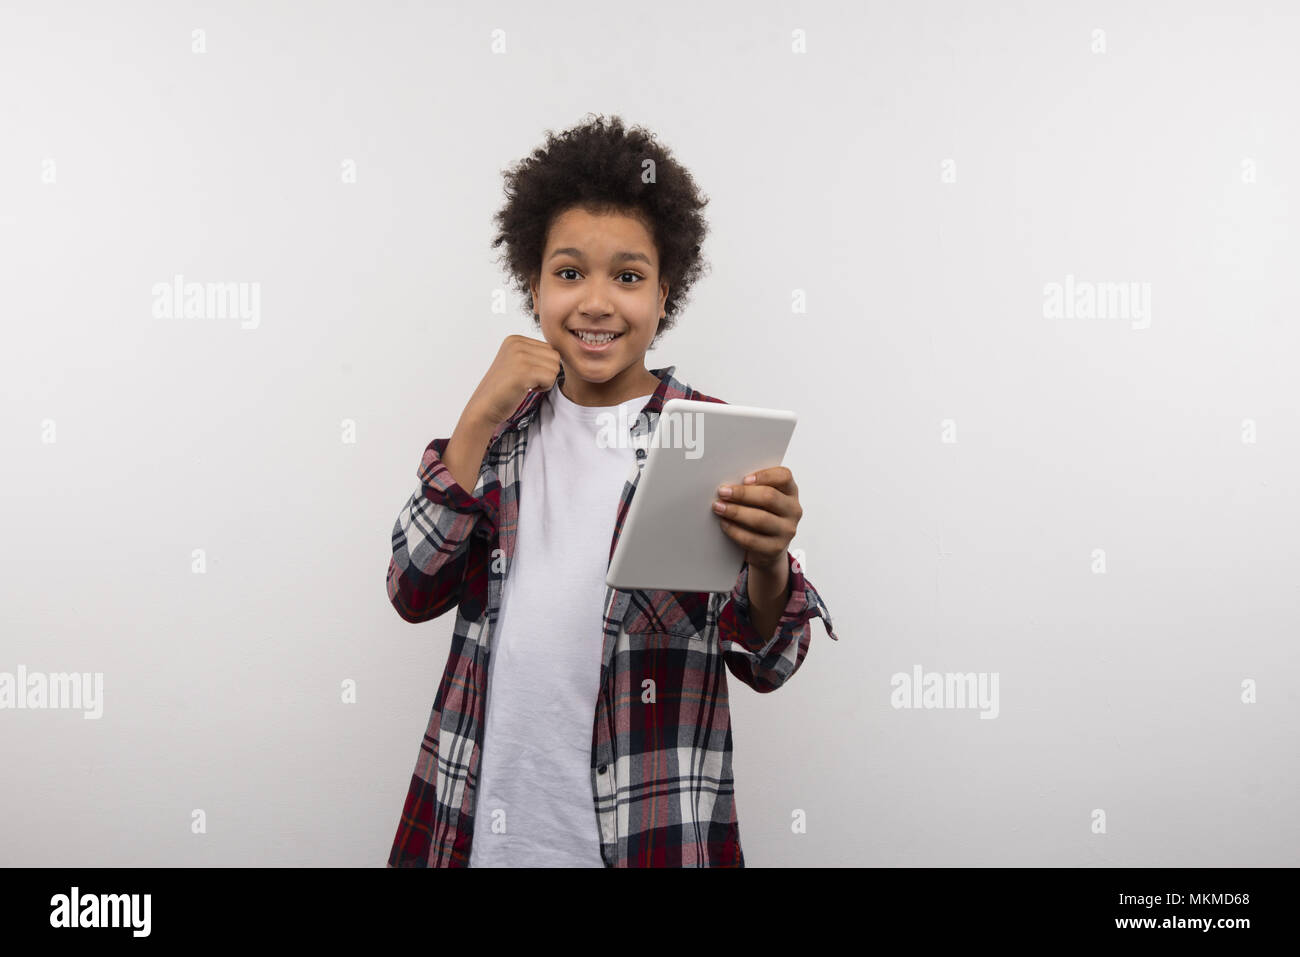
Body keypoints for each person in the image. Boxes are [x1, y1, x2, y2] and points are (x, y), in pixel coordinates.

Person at [385, 114, 838, 867]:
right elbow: (411, 589)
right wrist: (472, 420)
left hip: (647, 838)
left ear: (666, 295)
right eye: (569, 273)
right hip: (481, 831)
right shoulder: (501, 435)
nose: (596, 302)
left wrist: (771, 561)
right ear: (533, 286)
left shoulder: (707, 441)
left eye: (627, 277)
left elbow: (769, 661)